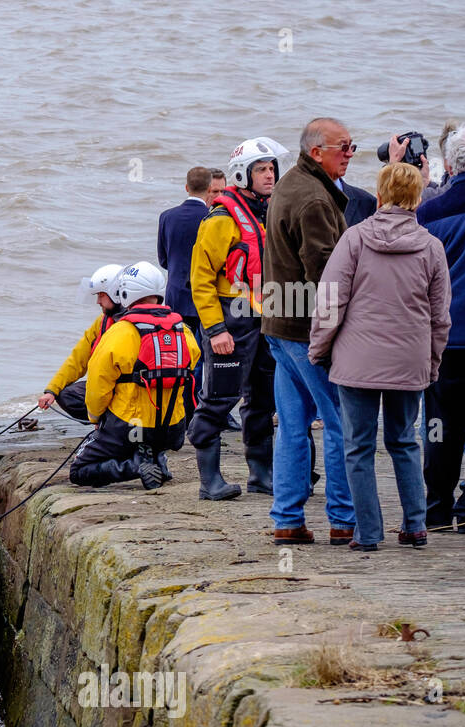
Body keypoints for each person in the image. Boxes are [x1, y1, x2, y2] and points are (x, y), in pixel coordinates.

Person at [309, 163, 451, 551]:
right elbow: (440, 316)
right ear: (418, 198)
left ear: (381, 195)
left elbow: (330, 302)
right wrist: (432, 361)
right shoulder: (431, 247)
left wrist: (319, 349)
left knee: (358, 446)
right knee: (405, 441)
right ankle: (416, 526)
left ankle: (368, 533)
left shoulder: (354, 239)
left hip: (356, 361)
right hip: (410, 360)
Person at [262, 117, 357, 544]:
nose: (350, 154)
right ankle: (342, 520)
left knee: (293, 425)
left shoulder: (290, 183)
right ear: (316, 151)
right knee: (339, 423)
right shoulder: (316, 199)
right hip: (304, 329)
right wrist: (343, 327)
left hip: (279, 321)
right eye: (344, 147)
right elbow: (325, 274)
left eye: (353, 146)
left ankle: (287, 520)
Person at [187, 137, 286, 501]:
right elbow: (200, 280)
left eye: (272, 168)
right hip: (231, 320)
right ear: (243, 174)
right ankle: (209, 480)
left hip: (265, 319)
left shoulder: (269, 213)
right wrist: (215, 330)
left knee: (263, 401)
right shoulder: (220, 219)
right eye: (261, 169)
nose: (269, 175)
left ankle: (262, 474)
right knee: (218, 398)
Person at [70, 262, 198, 490]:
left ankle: (136, 465)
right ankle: (155, 457)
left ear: (126, 292)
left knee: (79, 471)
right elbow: (193, 362)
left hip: (130, 426)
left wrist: (95, 418)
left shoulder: (120, 332)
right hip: (172, 429)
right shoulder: (182, 330)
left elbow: (98, 387)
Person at [417, 125, 465, 533]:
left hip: (441, 337)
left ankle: (437, 509)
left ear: (451, 165)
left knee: (439, 425)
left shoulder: (429, 212)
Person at [37, 263, 123, 422]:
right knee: (66, 395)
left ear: (117, 293)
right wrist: (52, 391)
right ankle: (107, 424)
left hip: (131, 391)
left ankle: (111, 426)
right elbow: (77, 360)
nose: (98, 301)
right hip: (111, 388)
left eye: (101, 295)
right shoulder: (102, 323)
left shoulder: (134, 327)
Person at [157, 167, 211, 407]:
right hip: (205, 297)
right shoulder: (212, 217)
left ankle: (179, 401)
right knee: (204, 354)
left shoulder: (167, 216)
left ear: (186, 187)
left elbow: (163, 260)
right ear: (210, 190)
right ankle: (197, 401)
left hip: (176, 294)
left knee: (180, 352)